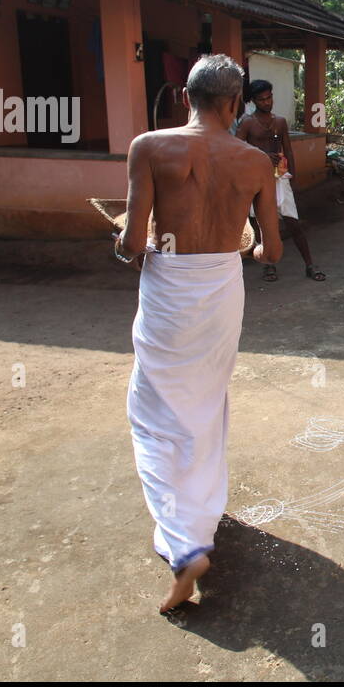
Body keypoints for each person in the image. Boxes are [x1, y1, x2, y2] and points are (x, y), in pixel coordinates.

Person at [118, 55, 282, 613]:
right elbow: (271, 251)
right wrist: (251, 247)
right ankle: (199, 518)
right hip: (219, 292)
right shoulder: (255, 161)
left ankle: (186, 544)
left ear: (185, 97)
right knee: (206, 402)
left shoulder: (149, 147)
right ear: (235, 104)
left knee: (152, 411)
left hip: (168, 290)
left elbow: (134, 244)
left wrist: (120, 239)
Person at [236, 79, 326, 282]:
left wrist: (292, 177)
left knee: (294, 223)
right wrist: (262, 155)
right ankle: (268, 265)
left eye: (269, 97)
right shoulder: (247, 122)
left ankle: (310, 264)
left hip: (280, 178)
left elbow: (289, 150)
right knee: (261, 224)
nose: (267, 102)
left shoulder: (280, 121)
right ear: (254, 101)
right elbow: (237, 150)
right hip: (258, 179)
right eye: (262, 99)